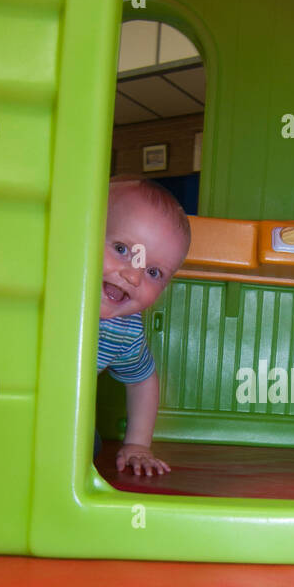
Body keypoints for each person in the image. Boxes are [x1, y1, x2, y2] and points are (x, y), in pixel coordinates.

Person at [96, 176, 191, 476]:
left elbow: (141, 380)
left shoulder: (124, 330)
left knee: (87, 443)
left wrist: (138, 444)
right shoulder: (51, 284)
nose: (133, 276)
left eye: (153, 271)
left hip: (58, 423)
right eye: (122, 250)